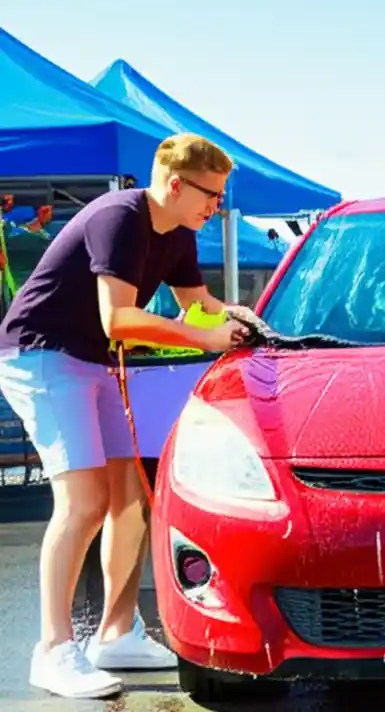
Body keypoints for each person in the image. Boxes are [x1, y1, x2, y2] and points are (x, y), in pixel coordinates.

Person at [0, 133, 253, 698]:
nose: (216, 208)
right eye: (210, 196)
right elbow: (119, 319)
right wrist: (203, 336)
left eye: (220, 197)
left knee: (131, 497)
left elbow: (200, 305)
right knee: (83, 502)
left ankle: (115, 633)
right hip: (40, 355)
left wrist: (246, 320)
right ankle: (53, 649)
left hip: (91, 362)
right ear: (173, 183)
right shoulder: (119, 216)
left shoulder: (179, 232)